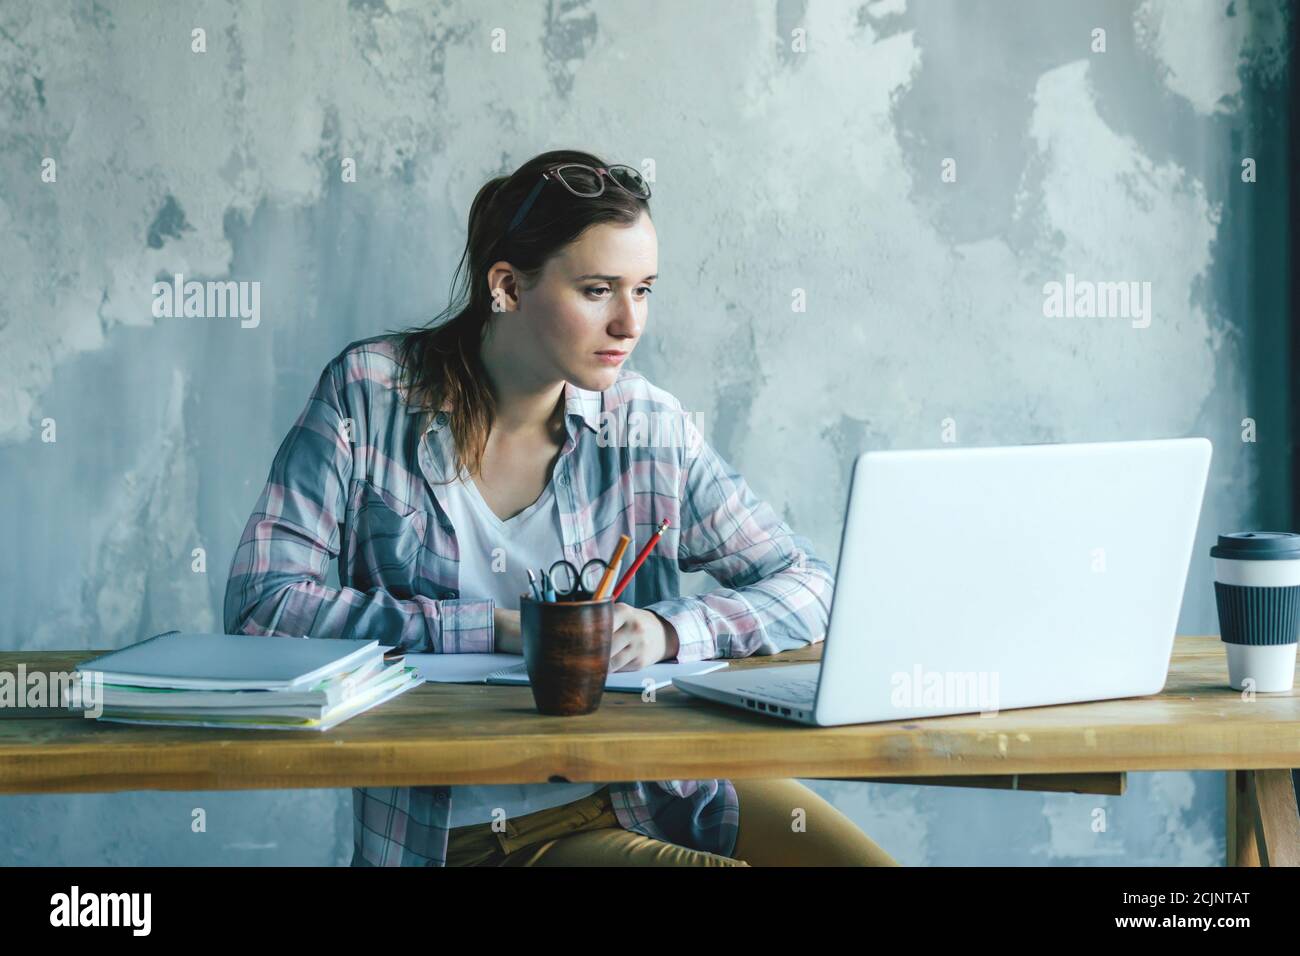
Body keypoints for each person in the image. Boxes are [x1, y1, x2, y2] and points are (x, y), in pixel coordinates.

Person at [223, 147, 899, 867]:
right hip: (483, 834)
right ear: (508, 286)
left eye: (644, 290)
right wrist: (498, 631)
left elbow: (812, 585)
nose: (628, 324)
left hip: (658, 789)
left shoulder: (645, 424)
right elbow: (261, 606)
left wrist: (668, 632)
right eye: (598, 289)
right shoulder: (372, 392)